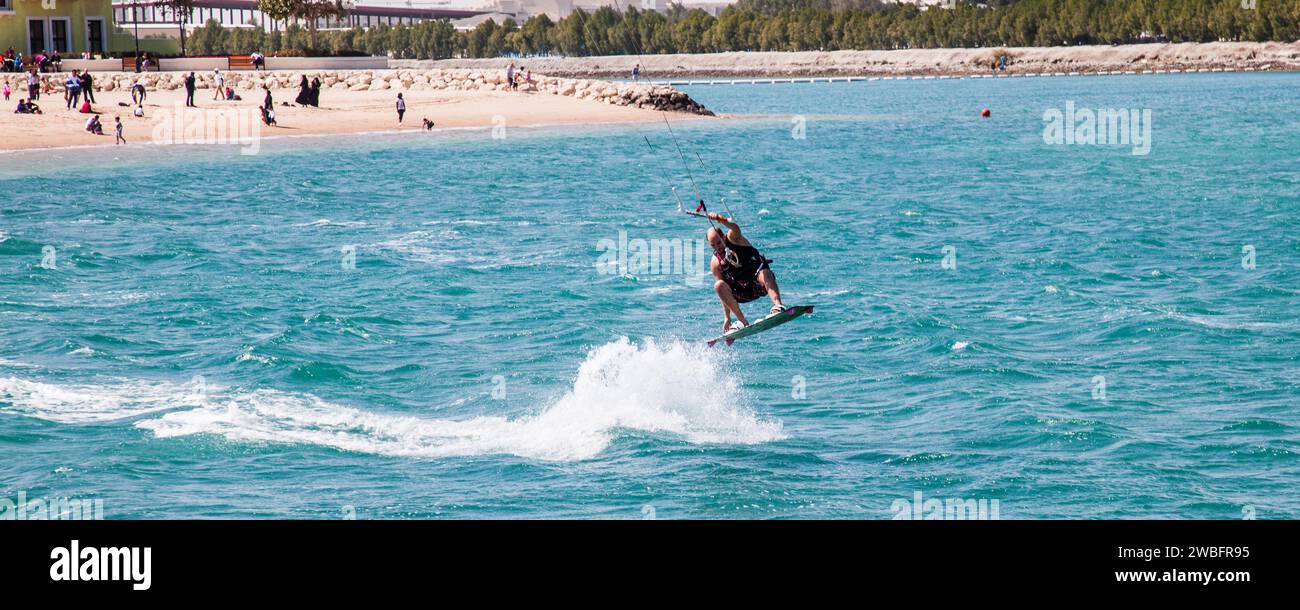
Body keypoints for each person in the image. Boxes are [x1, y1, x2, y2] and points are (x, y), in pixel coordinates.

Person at [703, 209, 785, 331]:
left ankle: (778, 306)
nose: (717, 247)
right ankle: (742, 321)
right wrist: (727, 318)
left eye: (718, 243)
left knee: (765, 272)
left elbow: (735, 228)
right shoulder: (715, 262)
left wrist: (720, 219)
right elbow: (722, 293)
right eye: (713, 245)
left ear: (723, 237)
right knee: (718, 285)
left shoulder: (733, 238)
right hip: (742, 292)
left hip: (759, 284)